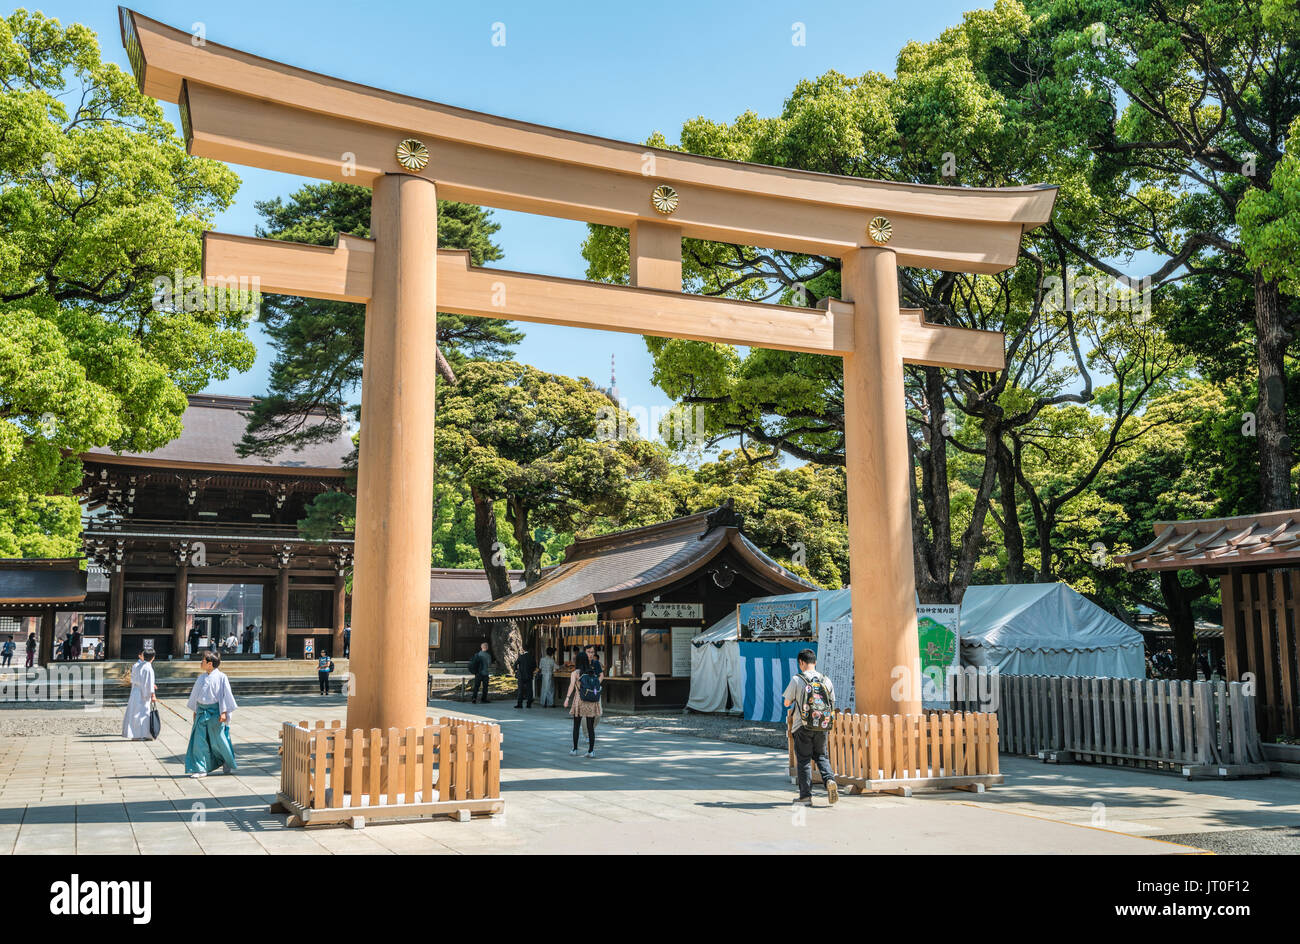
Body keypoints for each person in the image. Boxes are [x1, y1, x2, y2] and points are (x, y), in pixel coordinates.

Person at [783, 647, 838, 807]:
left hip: (803, 725)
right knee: (821, 756)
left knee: (804, 760)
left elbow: (787, 702)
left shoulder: (797, 679)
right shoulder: (825, 680)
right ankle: (829, 780)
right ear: (815, 662)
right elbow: (832, 701)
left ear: (801, 662)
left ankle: (805, 796)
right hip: (822, 725)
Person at [184, 650, 238, 778]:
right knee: (199, 740)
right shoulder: (201, 678)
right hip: (202, 711)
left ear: (210, 664)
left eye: (202, 661)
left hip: (216, 712)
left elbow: (225, 696)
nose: (201, 663)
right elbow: (196, 696)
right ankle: (201, 768)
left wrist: (224, 712)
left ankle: (226, 760)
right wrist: (195, 710)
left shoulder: (222, 677)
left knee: (218, 740)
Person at [564, 645, 603, 757]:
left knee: (576, 725)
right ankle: (591, 751)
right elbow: (597, 684)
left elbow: (571, 686)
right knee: (590, 727)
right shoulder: (592, 672)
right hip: (590, 701)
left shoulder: (575, 673)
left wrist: (567, 698)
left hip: (579, 700)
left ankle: (575, 749)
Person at [122, 649, 157, 740]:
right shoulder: (148, 667)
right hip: (143, 692)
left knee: (136, 713)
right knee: (143, 713)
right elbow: (148, 682)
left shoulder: (137, 666)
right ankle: (140, 734)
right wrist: (152, 694)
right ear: (153, 657)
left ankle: (139, 734)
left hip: (136, 691)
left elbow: (135, 679)